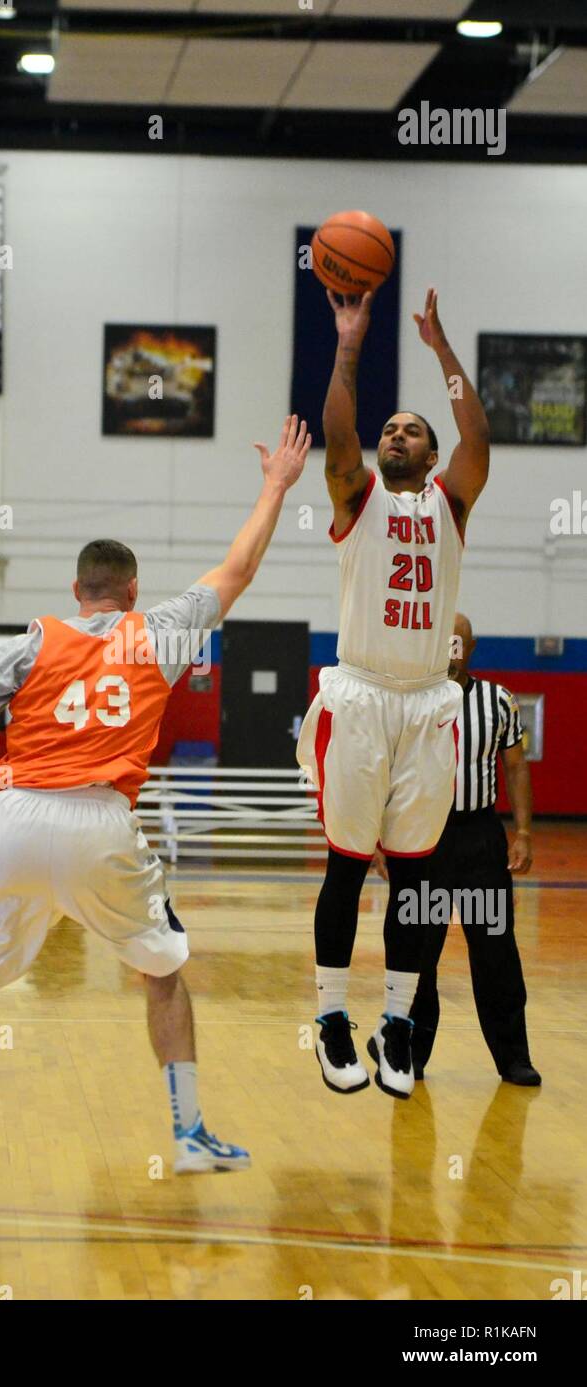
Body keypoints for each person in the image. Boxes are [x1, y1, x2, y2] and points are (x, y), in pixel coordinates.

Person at [0, 415, 313, 1205]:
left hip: (9, 821)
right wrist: (275, 484)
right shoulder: (161, 632)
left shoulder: (29, 640)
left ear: (77, 592)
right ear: (132, 590)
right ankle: (186, 1133)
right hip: (99, 823)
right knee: (164, 971)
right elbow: (237, 569)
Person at [297, 286, 490, 1100]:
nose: (394, 434)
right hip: (364, 696)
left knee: (417, 877)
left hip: (427, 705)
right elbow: (339, 431)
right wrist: (349, 343)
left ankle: (400, 1024)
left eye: (411, 428)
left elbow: (479, 434)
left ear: (433, 452)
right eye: (389, 430)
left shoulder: (452, 502)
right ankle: (333, 1017)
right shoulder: (357, 497)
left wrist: (444, 350)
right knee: (347, 868)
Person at [402, 613, 540, 1086]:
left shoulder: (498, 700)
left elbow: (517, 768)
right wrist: (383, 839)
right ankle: (411, 1055)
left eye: (458, 642)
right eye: (445, 641)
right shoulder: (412, 699)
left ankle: (513, 1058)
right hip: (425, 838)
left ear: (472, 646)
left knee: (496, 950)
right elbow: (390, 771)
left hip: (480, 839)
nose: (451, 650)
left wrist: (523, 833)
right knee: (420, 949)